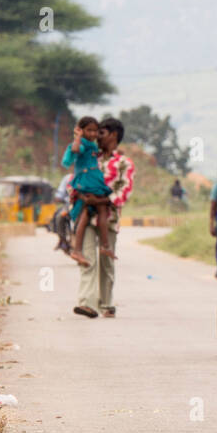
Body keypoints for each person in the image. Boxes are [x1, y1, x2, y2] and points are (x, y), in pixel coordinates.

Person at [73, 117, 135, 319]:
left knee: (106, 261)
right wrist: (82, 196)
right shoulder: (91, 157)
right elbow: (76, 178)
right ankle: (87, 303)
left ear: (113, 135)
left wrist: (100, 201)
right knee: (87, 258)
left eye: (101, 133)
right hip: (86, 214)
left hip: (108, 218)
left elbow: (123, 192)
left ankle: (106, 303)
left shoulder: (124, 163)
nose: (97, 137)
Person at [63, 117, 115, 267]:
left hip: (93, 178)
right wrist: (78, 137)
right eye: (89, 130)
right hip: (88, 180)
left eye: (95, 131)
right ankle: (104, 246)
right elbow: (75, 150)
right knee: (101, 208)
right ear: (81, 130)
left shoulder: (91, 145)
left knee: (86, 214)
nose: (93, 134)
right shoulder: (83, 144)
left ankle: (77, 250)